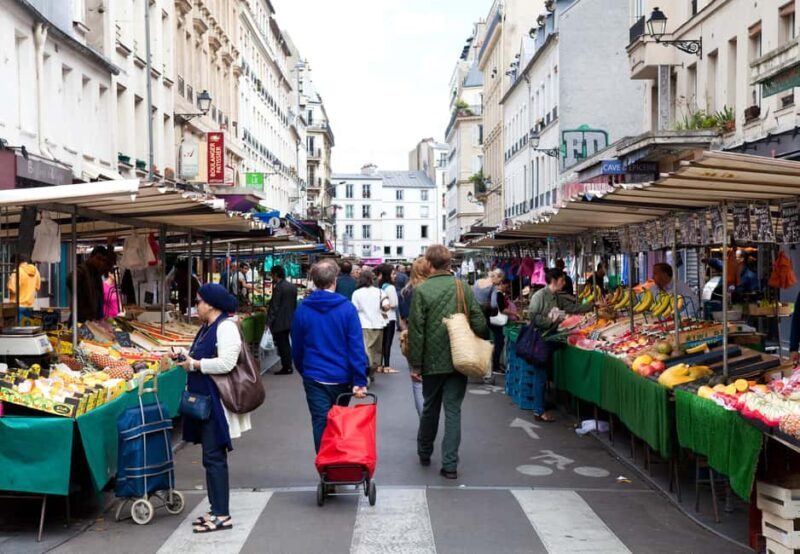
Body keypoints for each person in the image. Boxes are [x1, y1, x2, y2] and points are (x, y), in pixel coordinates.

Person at [176, 283, 251, 534]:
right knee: (210, 458)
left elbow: (227, 363)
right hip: (205, 400)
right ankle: (215, 507)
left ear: (210, 304)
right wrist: (185, 357)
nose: (196, 305)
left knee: (214, 457)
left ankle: (222, 514)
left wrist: (195, 365)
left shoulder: (226, 326)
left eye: (198, 301)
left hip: (217, 402)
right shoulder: (207, 327)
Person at [408, 245, 488, 479]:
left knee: (430, 406)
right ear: (448, 264)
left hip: (431, 360)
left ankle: (424, 451)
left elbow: (416, 331)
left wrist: (416, 365)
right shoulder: (462, 287)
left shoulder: (422, 291)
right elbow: (480, 323)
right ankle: (450, 465)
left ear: (430, 265)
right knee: (453, 410)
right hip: (459, 358)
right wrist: (471, 335)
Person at [291, 260, 368, 452]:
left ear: (315, 281)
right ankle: (338, 463)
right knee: (339, 420)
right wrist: (359, 378)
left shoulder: (303, 309)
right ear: (335, 280)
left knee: (320, 422)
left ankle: (325, 469)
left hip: (314, 375)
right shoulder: (347, 308)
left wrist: (304, 369)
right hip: (341, 376)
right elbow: (356, 346)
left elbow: (297, 346)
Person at [528, 268, 594, 422]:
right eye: (562, 280)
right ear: (554, 280)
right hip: (540, 339)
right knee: (540, 374)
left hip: (550, 337)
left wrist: (593, 305)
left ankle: (542, 404)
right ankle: (538, 410)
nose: (564, 283)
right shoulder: (540, 296)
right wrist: (550, 320)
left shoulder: (557, 296)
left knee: (544, 372)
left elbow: (573, 308)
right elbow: (533, 317)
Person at [399, 257, 432, 417]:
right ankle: (431, 418)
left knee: (418, 384)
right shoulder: (434, 289)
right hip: (435, 339)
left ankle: (424, 422)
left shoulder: (407, 291)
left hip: (413, 340)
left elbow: (403, 319)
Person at [351, 268, 388, 383]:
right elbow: (386, 305)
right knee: (377, 351)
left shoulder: (356, 293)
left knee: (366, 351)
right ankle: (372, 371)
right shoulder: (380, 292)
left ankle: (366, 373)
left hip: (363, 325)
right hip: (378, 324)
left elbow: (354, 310)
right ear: (372, 280)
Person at [265, 265, 298, 375]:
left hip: (280, 321)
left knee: (282, 344)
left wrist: (268, 322)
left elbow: (275, 306)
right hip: (290, 319)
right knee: (286, 343)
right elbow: (294, 304)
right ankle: (288, 364)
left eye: (272, 274)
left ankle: (287, 367)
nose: (271, 277)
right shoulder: (292, 286)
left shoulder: (279, 287)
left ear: (275, 274)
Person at [68, 246, 111, 323]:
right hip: (81, 320)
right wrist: (81, 296)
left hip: (94, 320)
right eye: (98, 258)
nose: (100, 262)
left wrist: (110, 245)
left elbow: (108, 266)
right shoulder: (83, 270)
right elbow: (71, 278)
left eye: (103, 260)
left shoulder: (97, 273)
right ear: (91, 257)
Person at [489, 278, 516, 375]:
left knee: (499, 342)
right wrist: (514, 314)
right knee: (499, 342)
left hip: (494, 322)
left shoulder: (496, 293)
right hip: (496, 322)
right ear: (501, 284)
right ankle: (495, 365)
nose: (507, 288)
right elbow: (503, 309)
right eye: (506, 286)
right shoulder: (498, 294)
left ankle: (496, 364)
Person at [377, 264, 399, 374]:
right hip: (390, 317)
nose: (395, 276)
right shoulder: (390, 287)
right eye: (393, 274)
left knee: (382, 342)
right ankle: (387, 366)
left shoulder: (380, 286)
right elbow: (394, 303)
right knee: (388, 343)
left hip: (381, 317)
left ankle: (380, 365)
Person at [7, 253, 41, 321]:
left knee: (17, 330)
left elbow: (12, 288)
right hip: (29, 306)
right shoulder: (35, 271)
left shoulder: (17, 271)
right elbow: (37, 287)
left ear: (15, 263)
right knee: (26, 328)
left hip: (17, 306)